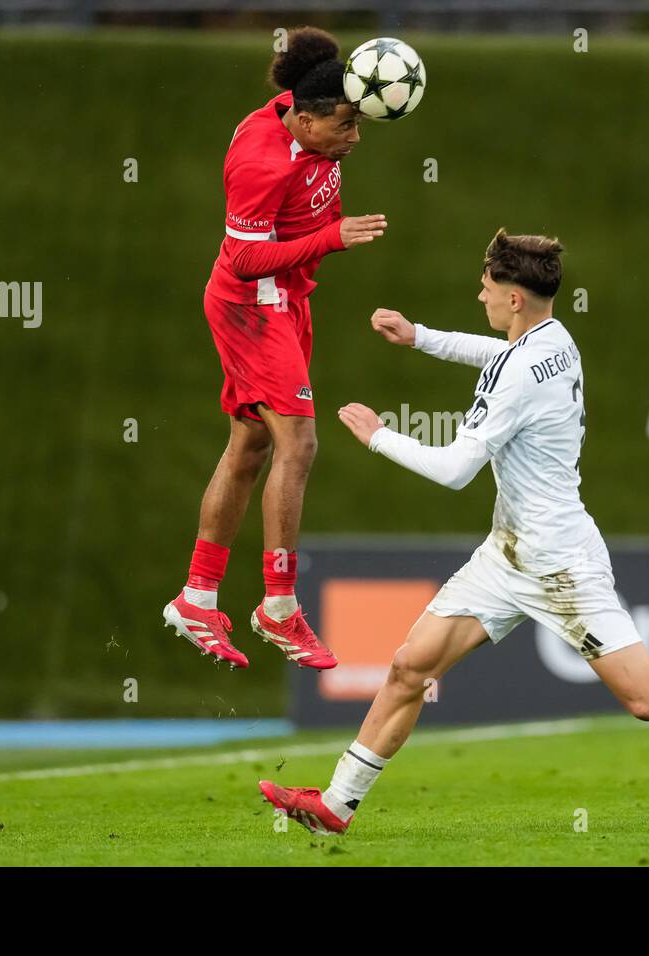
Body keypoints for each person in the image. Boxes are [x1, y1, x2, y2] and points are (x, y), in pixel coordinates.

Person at [259, 228, 649, 833]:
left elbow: (456, 470)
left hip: (559, 562)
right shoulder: (555, 338)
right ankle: (338, 803)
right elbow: (499, 356)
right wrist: (423, 338)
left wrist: (378, 435)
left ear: (515, 297)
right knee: (411, 666)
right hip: (507, 555)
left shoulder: (516, 370)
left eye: (487, 285)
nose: (480, 294)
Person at [163, 27, 388, 670]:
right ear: (306, 118)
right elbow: (243, 257)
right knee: (301, 442)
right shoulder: (261, 158)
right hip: (250, 302)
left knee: (250, 445)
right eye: (346, 126)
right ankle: (280, 606)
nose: (354, 138)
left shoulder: (303, 112)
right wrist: (332, 237)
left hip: (287, 299)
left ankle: (197, 596)